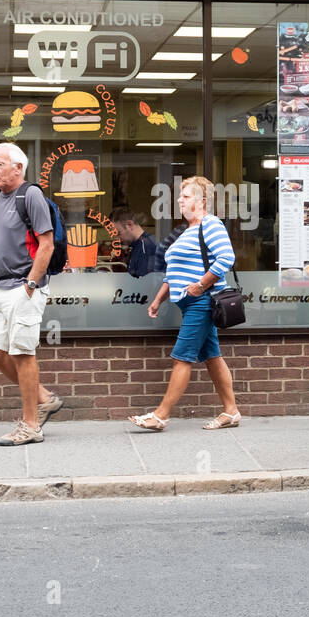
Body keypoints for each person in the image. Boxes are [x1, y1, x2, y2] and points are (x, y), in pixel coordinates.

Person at [132, 176, 242, 431]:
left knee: (182, 357)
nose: (180, 201)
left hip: (202, 302)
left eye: (186, 196)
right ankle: (231, 411)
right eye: (180, 197)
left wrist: (202, 284)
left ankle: (160, 416)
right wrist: (159, 299)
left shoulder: (210, 224)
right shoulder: (188, 230)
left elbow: (226, 258)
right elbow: (174, 272)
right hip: (191, 303)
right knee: (213, 357)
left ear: (202, 201)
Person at [0, 143, 64, 447]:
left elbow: (47, 244)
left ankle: (31, 425)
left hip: (23, 287)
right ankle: (43, 397)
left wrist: (30, 283)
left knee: (22, 353)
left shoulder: (31, 195)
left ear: (18, 167)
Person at [110, 207, 161, 277]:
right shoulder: (138, 245)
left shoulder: (146, 247)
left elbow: (145, 282)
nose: (117, 239)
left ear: (130, 225)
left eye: (119, 233)